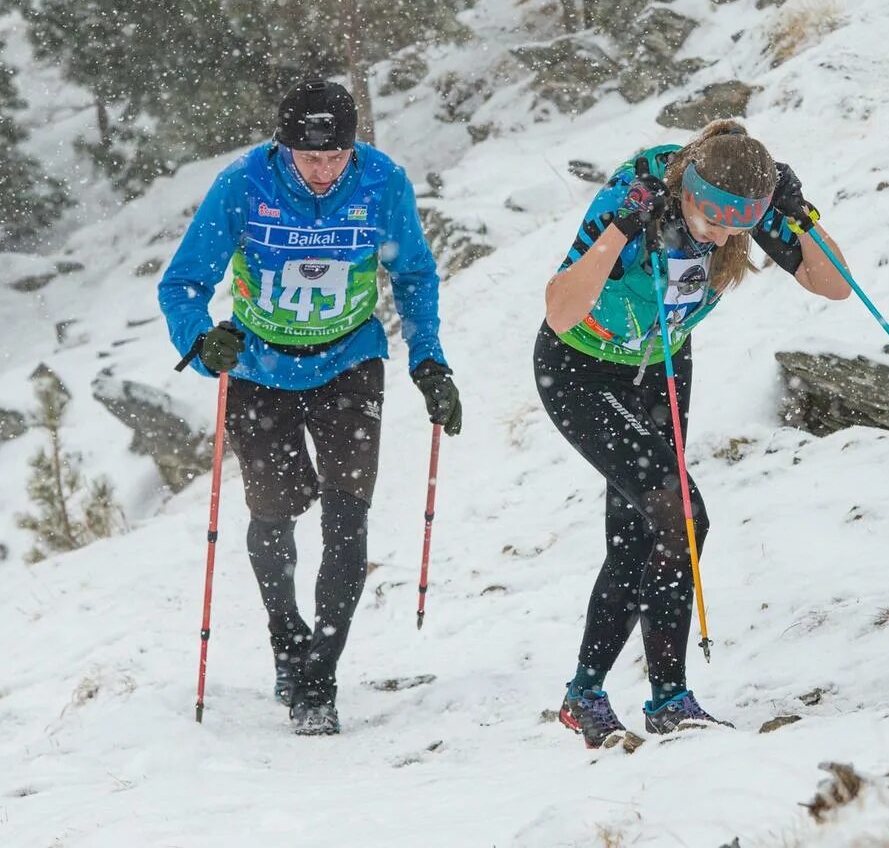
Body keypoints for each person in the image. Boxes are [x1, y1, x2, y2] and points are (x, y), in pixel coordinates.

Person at [159, 79, 461, 737]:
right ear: (282, 147)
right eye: (309, 157)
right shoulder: (243, 185)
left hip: (350, 362)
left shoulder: (381, 183)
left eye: (335, 156)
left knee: (347, 516)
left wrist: (429, 362)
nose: (323, 171)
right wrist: (202, 342)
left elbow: (414, 276)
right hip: (260, 369)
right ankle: (286, 632)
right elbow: (182, 284)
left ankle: (320, 674)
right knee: (275, 511)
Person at [538, 120, 851, 746]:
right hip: (581, 372)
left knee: (639, 535)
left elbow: (834, 285)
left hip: (660, 370)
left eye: (737, 227)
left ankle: (605, 697)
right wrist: (621, 227)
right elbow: (560, 310)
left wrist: (803, 216)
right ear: (687, 190)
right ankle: (658, 697)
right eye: (711, 222)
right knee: (682, 515)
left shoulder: (737, 210)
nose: (722, 236)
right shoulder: (637, 198)